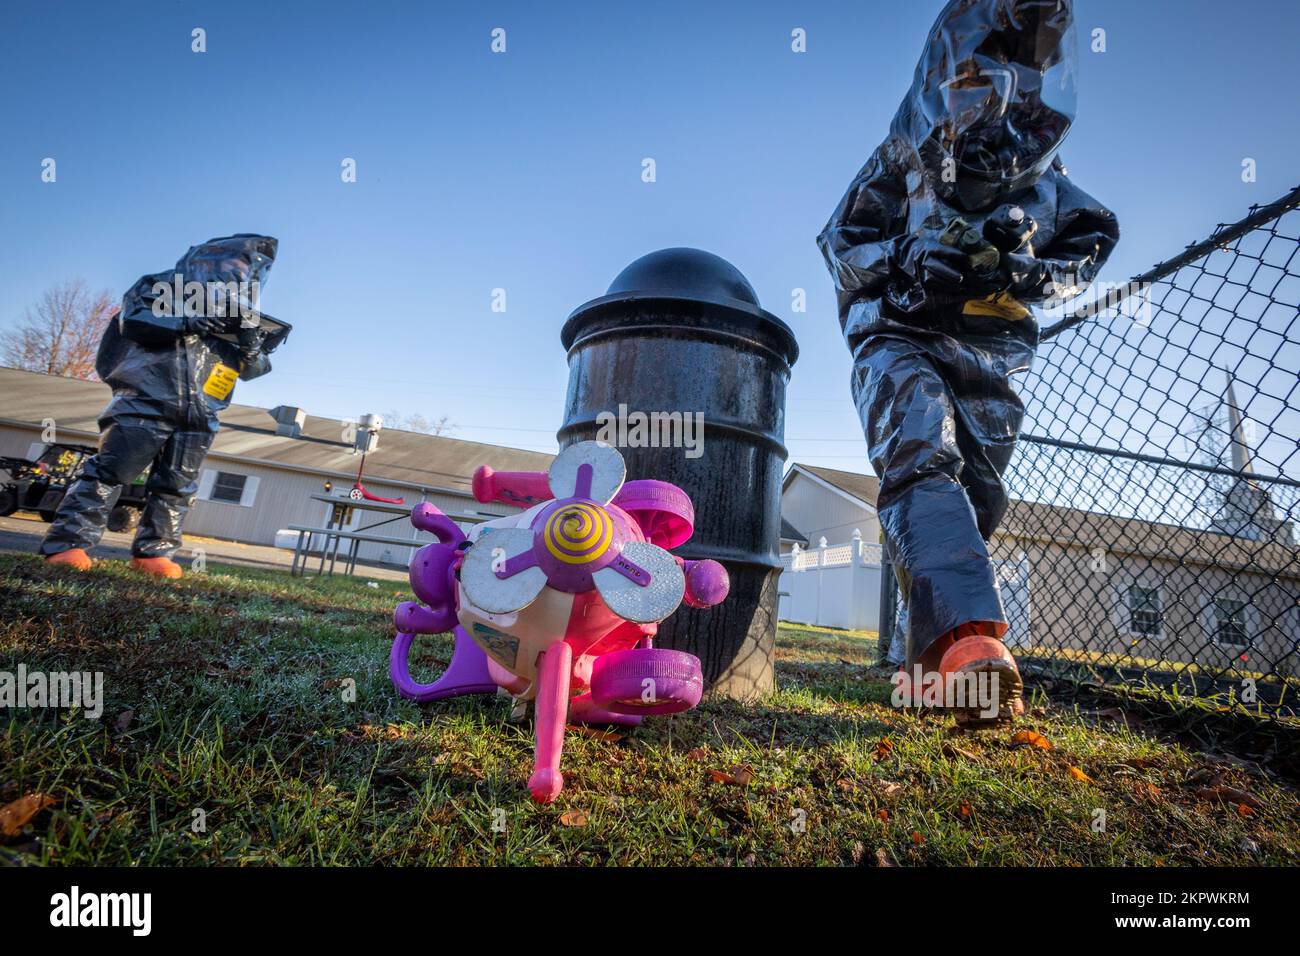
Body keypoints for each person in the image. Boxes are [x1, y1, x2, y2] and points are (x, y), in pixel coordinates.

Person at [817, 0, 1118, 726]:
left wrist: (1026, 272)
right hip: (899, 333)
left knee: (974, 501)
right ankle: (968, 646)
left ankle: (920, 669)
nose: (998, 96)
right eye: (979, 75)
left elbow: (1089, 243)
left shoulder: (1050, 181)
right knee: (921, 454)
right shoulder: (901, 156)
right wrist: (903, 254)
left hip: (994, 357)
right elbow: (840, 242)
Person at [41, 234, 288, 579]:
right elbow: (134, 321)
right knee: (109, 472)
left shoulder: (237, 311)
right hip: (145, 400)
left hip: (202, 412)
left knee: (177, 485)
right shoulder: (161, 287)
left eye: (246, 269)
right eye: (234, 264)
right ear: (211, 260)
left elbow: (254, 370)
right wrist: (187, 322)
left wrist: (250, 345)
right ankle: (69, 543)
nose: (240, 274)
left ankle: (155, 552)